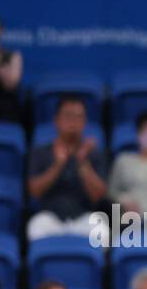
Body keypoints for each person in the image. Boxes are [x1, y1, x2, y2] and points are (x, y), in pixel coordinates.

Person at [26, 97, 109, 243]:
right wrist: (58, 165)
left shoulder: (94, 154)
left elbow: (98, 195)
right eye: (68, 116)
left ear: (84, 122)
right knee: (35, 229)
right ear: (56, 120)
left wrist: (83, 164)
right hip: (50, 218)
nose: (74, 121)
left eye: (79, 117)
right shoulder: (40, 153)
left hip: (84, 217)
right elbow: (34, 191)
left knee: (102, 232)